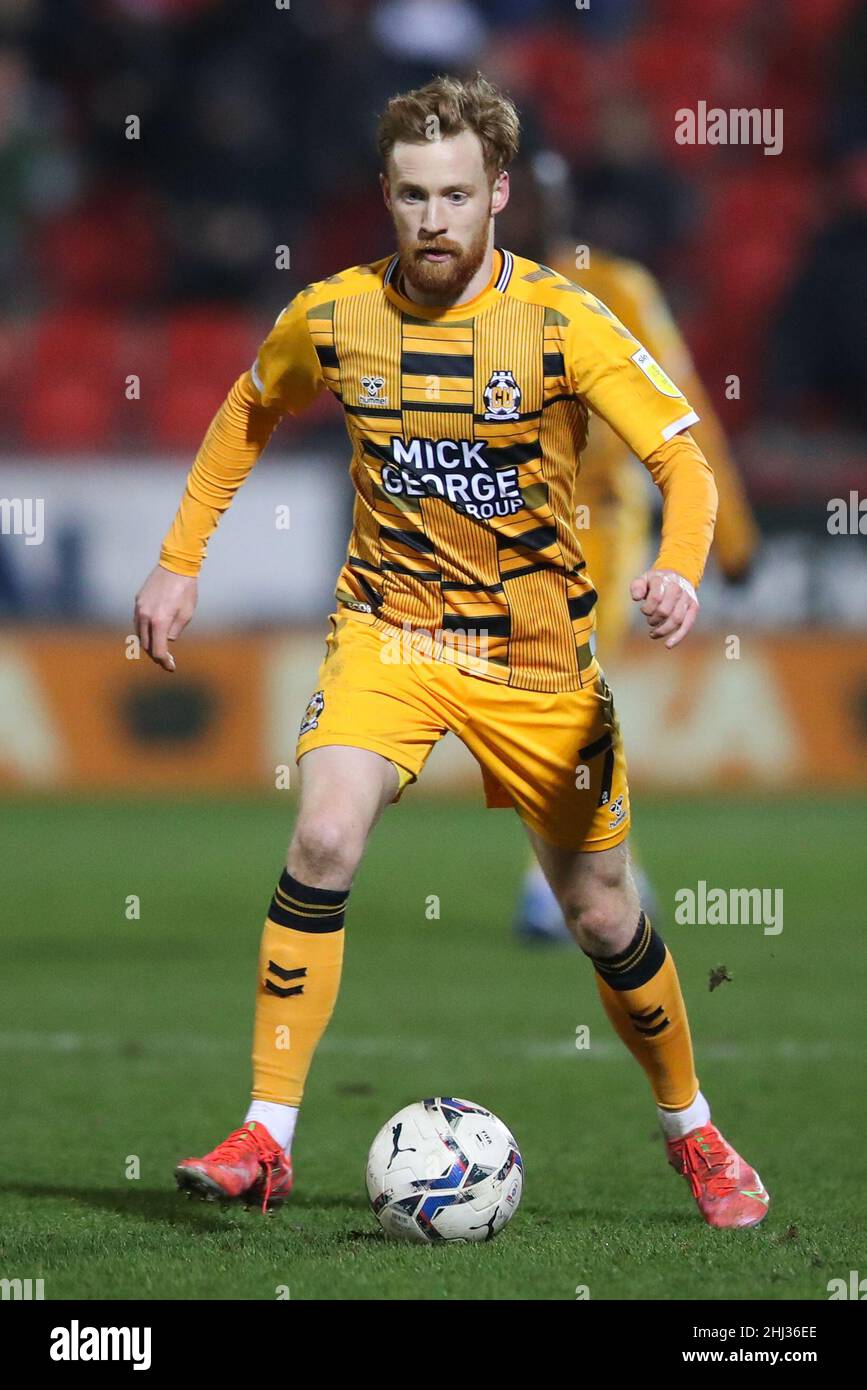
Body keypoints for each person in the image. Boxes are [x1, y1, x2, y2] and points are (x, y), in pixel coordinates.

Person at [134, 75, 769, 1229]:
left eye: (458, 194)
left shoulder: (566, 318)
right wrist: (179, 561)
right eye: (414, 195)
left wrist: (679, 562)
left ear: (500, 194)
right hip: (392, 630)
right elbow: (247, 410)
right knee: (324, 831)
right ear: (387, 194)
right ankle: (266, 1134)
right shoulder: (333, 316)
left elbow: (684, 457)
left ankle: (695, 1129)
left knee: (602, 913)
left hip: (539, 659)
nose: (435, 219)